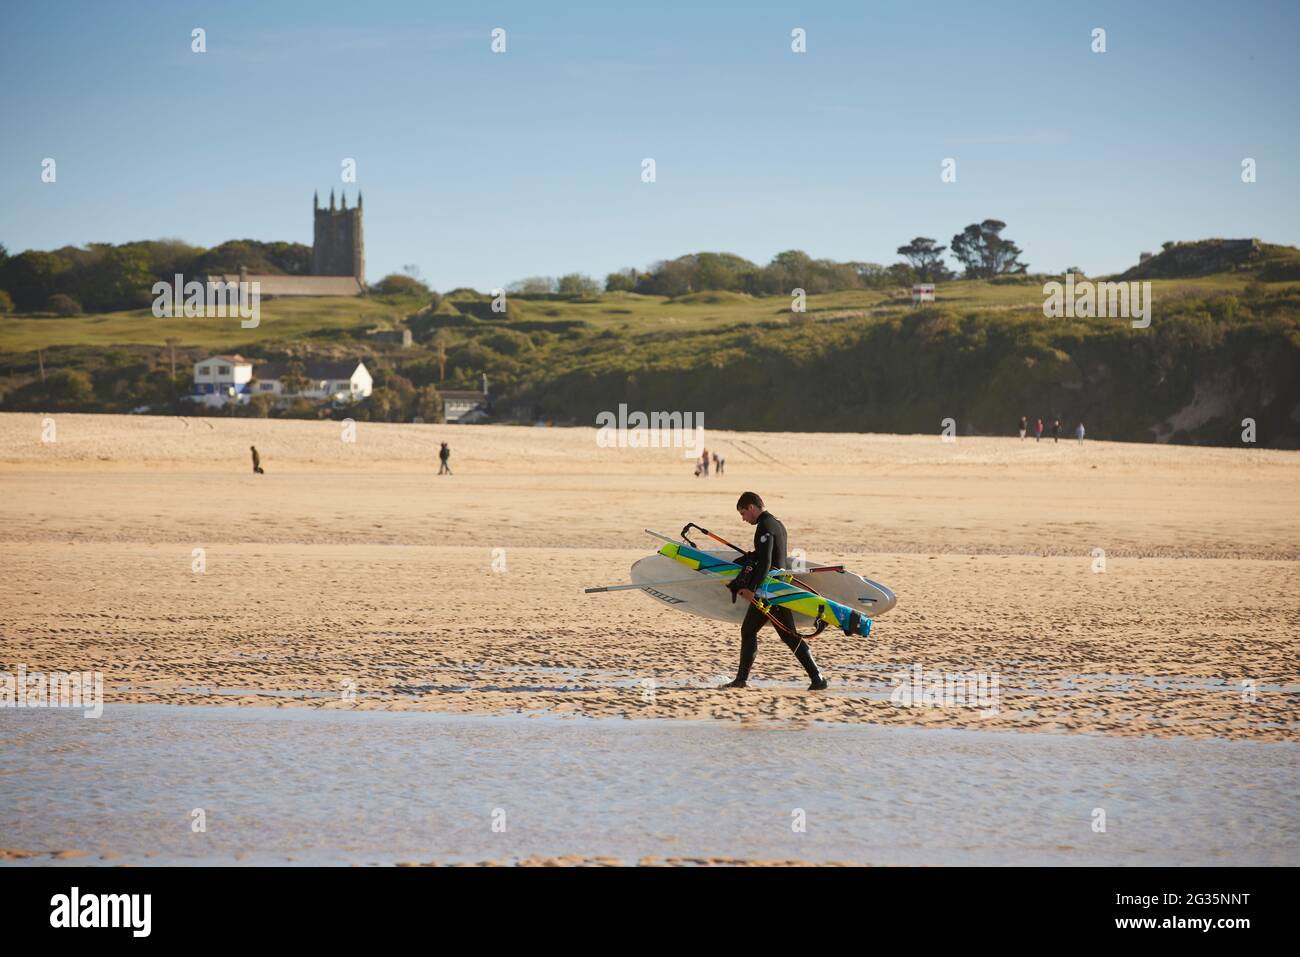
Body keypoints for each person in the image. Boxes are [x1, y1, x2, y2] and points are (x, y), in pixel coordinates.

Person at [721, 491, 828, 692]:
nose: (744, 519)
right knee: (773, 633)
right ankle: (816, 678)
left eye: (743, 513)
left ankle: (817, 678)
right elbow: (767, 557)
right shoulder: (776, 523)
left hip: (771, 589)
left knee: (779, 634)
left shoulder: (765, 526)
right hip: (776, 586)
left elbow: (766, 562)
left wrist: (752, 589)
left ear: (751, 507)